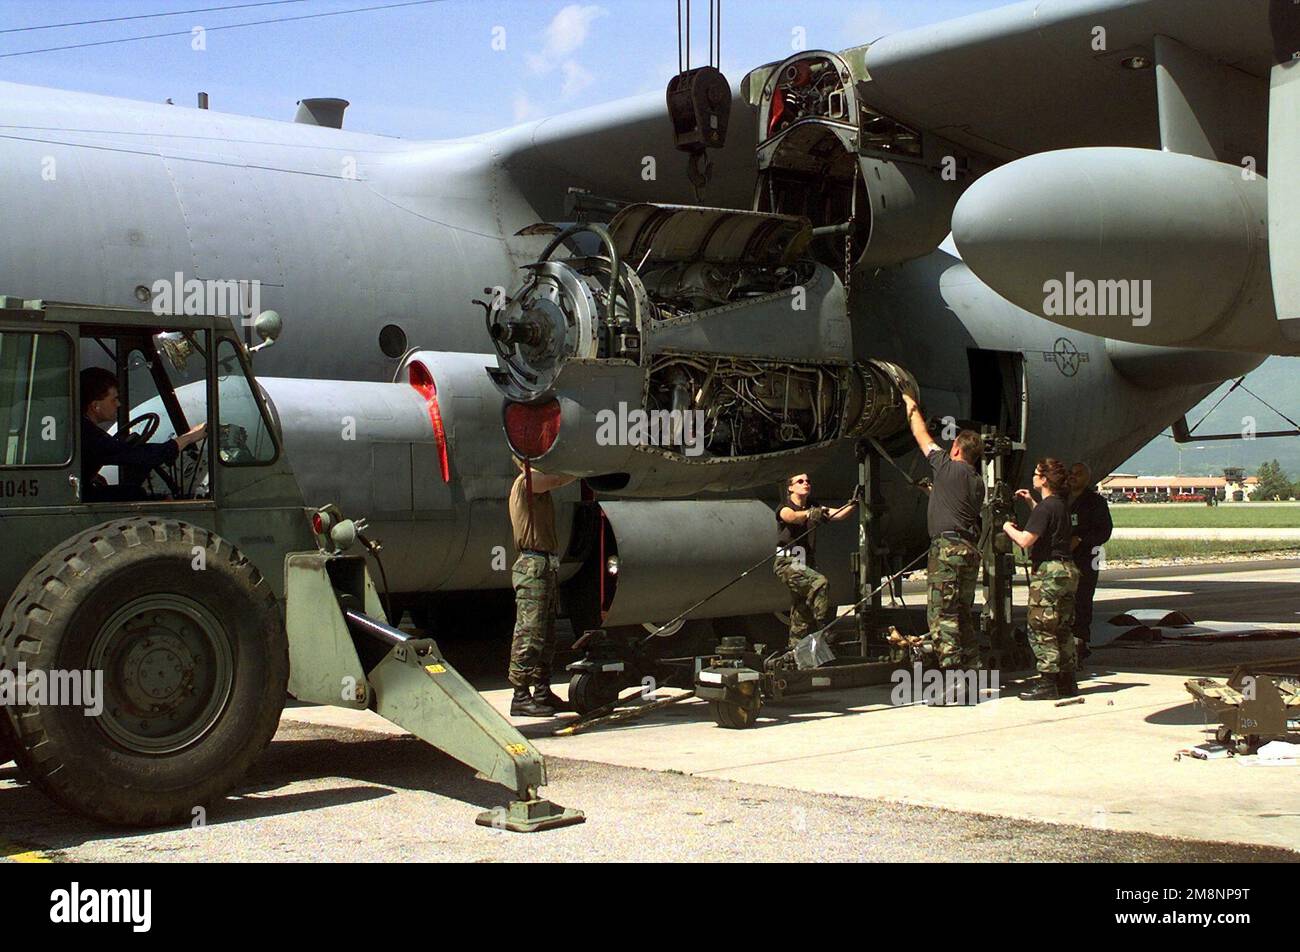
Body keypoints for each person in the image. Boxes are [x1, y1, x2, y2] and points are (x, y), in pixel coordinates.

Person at [900, 393, 985, 679]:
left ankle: (952, 676)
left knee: (941, 615)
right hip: (969, 551)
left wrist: (909, 404)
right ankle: (972, 672)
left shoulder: (946, 466)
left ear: (957, 450)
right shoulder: (976, 481)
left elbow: (921, 434)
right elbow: (954, 502)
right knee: (962, 614)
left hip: (947, 549)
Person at [1005, 458, 1080, 700]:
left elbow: (1026, 540)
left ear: (1045, 479)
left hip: (1048, 572)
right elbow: (1048, 523)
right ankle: (1067, 681)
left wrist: (1007, 527)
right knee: (1063, 627)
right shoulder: (1058, 505)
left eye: (1037, 473)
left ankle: (1047, 682)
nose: (1034, 476)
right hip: (1067, 570)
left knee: (1041, 626)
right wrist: (1030, 502)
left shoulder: (1045, 508)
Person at [507, 455, 576, 718]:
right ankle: (520, 695)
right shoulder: (526, 482)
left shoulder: (536, 488)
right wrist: (583, 471)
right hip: (533, 565)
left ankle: (542, 691)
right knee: (530, 632)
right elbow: (556, 480)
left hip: (545, 564)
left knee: (547, 634)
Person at [80, 367, 205, 501]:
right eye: (113, 399)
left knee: (131, 491)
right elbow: (136, 455)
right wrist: (189, 437)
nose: (118, 404)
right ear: (95, 406)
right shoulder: (88, 434)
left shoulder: (84, 428)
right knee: (135, 494)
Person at [775, 473, 855, 648]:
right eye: (800, 481)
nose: (806, 484)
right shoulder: (785, 506)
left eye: (808, 481)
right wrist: (811, 513)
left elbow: (838, 515)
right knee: (820, 583)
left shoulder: (814, 506)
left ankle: (795, 650)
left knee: (801, 611)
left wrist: (854, 503)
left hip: (805, 563)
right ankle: (824, 627)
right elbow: (791, 517)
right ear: (790, 487)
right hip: (788, 562)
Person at [1067, 462, 1112, 663]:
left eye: (1077, 474)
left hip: (1086, 559)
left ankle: (1081, 641)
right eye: (1071, 473)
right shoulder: (1061, 499)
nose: (1072, 477)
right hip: (1063, 559)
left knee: (1083, 600)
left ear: (1087, 478)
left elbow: (1104, 532)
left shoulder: (1095, 502)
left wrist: (1082, 539)